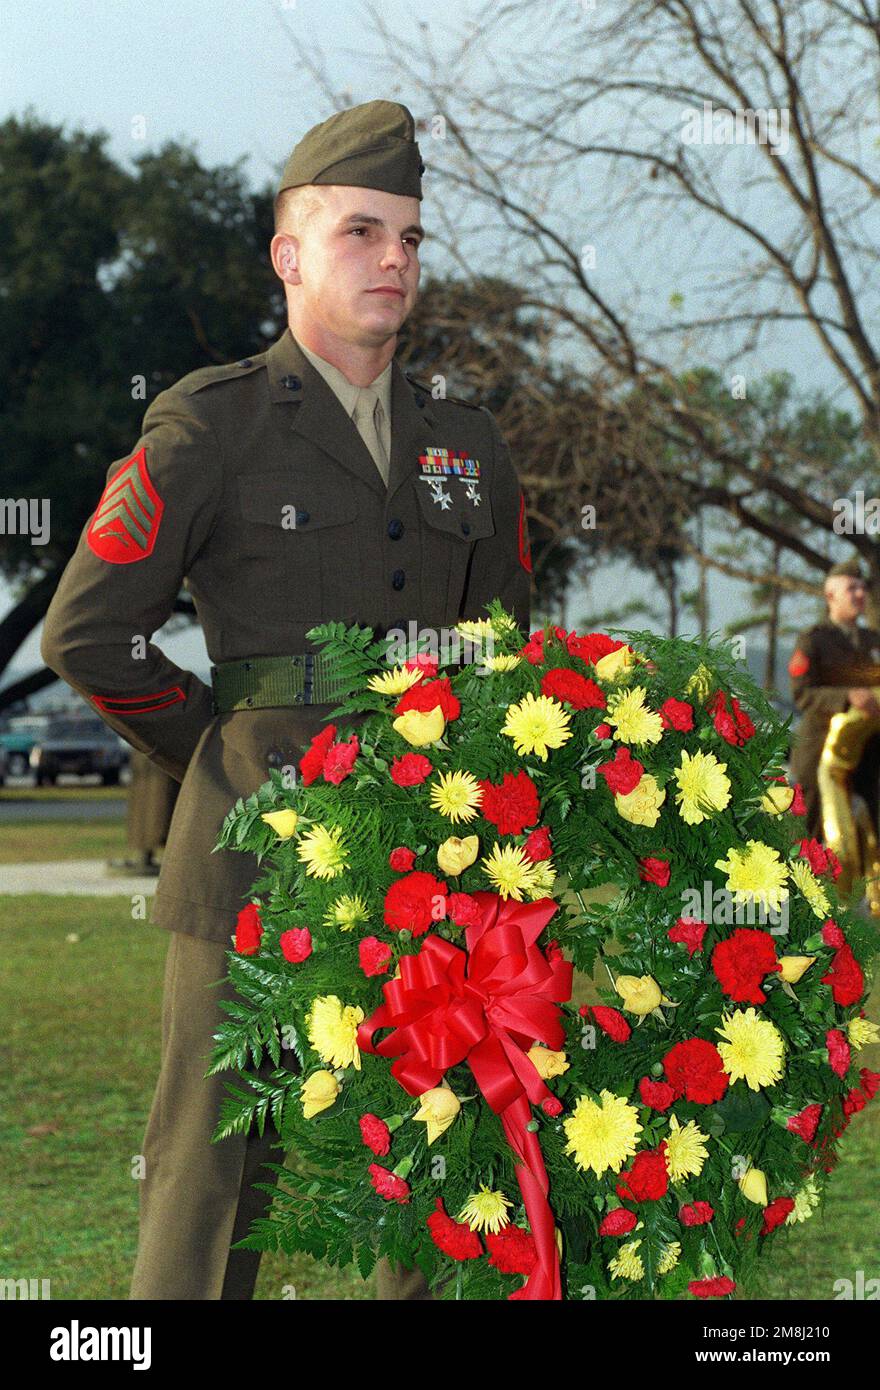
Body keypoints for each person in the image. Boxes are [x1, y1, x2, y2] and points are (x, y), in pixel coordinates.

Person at [40, 98, 532, 1301]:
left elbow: (506, 654)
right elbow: (88, 631)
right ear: (290, 254)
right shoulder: (214, 423)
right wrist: (223, 751)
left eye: (409, 238)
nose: (393, 259)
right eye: (361, 231)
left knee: (449, 1156)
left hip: (433, 844)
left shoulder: (466, 441)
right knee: (212, 1164)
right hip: (259, 849)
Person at [788, 558, 880, 841]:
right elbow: (802, 693)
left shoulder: (873, 640)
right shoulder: (813, 640)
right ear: (831, 596)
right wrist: (847, 696)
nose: (860, 594)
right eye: (852, 588)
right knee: (811, 836)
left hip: (867, 750)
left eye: (862, 588)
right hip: (820, 749)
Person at [106, 747, 179, 876]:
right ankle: (145, 854)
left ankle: (147, 854)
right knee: (149, 800)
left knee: (158, 800)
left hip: (158, 756)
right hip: (150, 756)